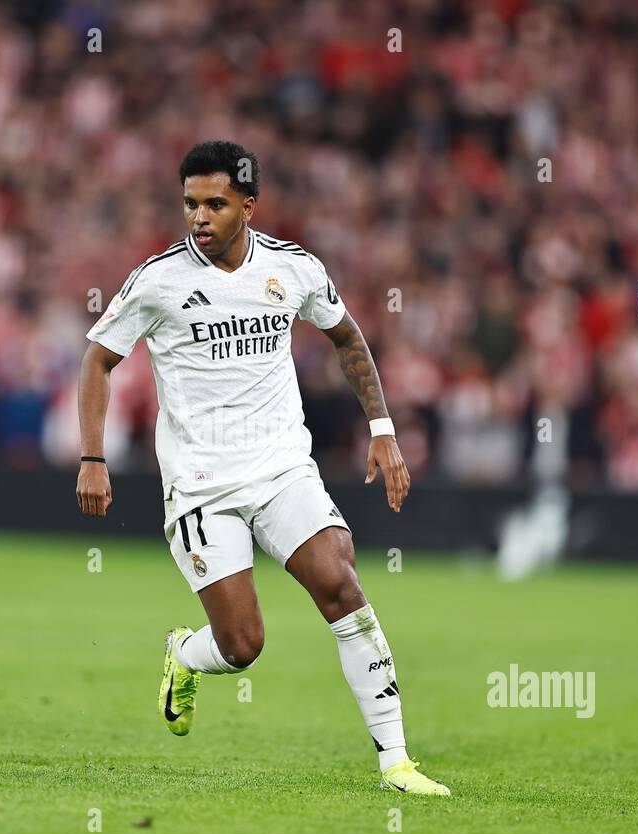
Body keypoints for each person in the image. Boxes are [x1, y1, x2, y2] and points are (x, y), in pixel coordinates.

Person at [76, 141, 449, 795]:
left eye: (215, 204)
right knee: (243, 645)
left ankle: (396, 761)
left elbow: (347, 338)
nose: (200, 217)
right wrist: (93, 457)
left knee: (340, 581)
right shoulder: (157, 280)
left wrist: (383, 430)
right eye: (190, 203)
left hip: (281, 468)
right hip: (200, 486)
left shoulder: (293, 268)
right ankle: (184, 654)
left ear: (248, 205)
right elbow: (97, 361)